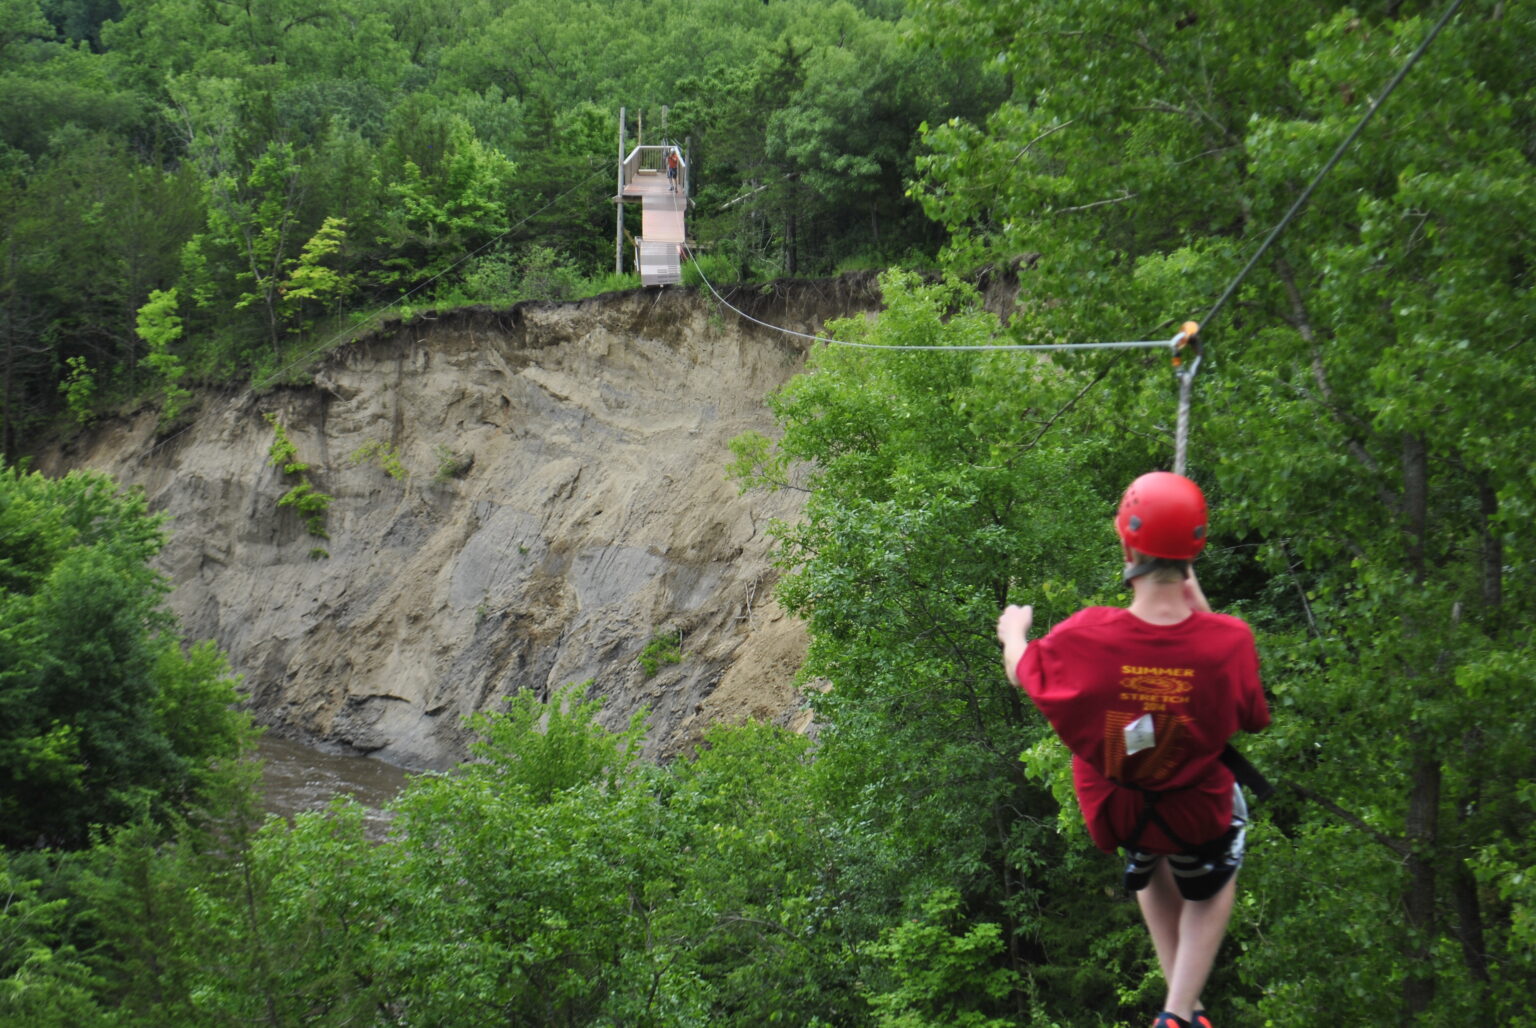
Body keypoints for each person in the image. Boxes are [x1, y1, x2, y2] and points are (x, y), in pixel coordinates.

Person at [995, 471, 1269, 1028]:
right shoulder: (1228, 640)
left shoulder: (1086, 635)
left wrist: (1014, 632)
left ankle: (1184, 1009)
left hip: (1118, 808)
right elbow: (1251, 717)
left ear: (1126, 544)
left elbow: (1023, 674)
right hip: (1195, 810)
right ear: (1196, 550)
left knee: (1149, 853)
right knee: (1221, 855)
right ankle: (1176, 1013)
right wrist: (1206, 614)